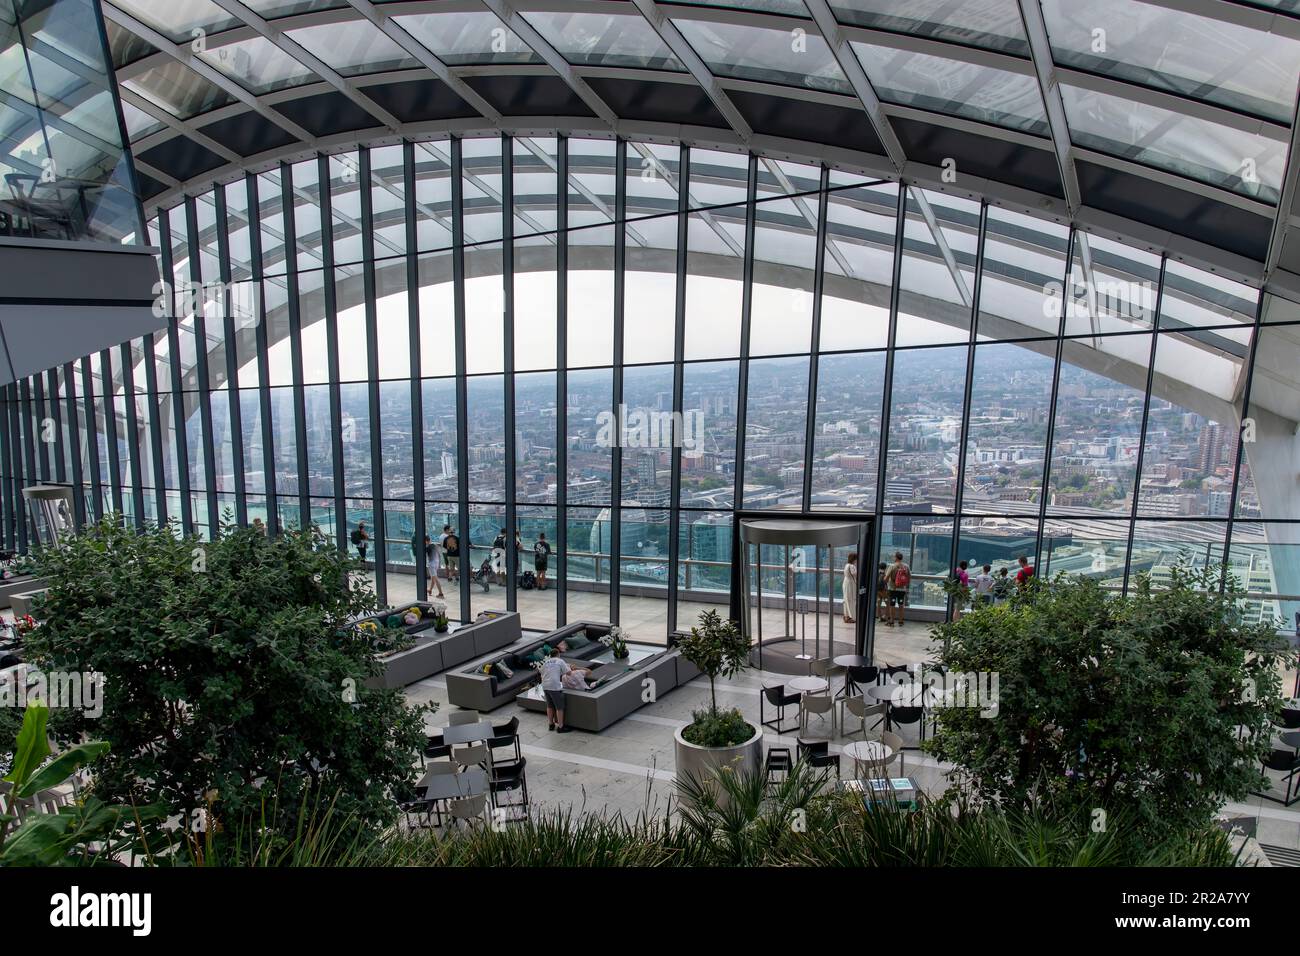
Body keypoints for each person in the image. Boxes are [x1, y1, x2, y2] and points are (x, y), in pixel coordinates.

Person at [539, 646, 572, 733]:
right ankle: (560, 727)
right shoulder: (560, 661)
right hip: (554, 686)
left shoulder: (545, 662)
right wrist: (570, 667)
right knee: (559, 707)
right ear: (558, 654)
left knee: (549, 706)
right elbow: (569, 673)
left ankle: (551, 724)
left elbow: (542, 674)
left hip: (545, 686)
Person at [885, 551, 910, 628]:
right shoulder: (906, 566)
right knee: (901, 605)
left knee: (892, 605)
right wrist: (906, 586)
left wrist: (886, 582)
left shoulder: (892, 566)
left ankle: (892, 621)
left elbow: (886, 577)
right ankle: (901, 621)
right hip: (902, 590)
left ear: (896, 557)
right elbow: (909, 577)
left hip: (893, 589)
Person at [424, 534, 444, 599]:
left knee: (435, 578)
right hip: (436, 563)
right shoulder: (435, 545)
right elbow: (439, 555)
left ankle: (441, 593)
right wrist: (440, 564)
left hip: (432, 564)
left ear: (426, 541)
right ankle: (430, 590)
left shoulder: (427, 547)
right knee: (433, 578)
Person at [841, 552, 858, 624]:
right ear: (854, 559)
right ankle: (850, 617)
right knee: (851, 600)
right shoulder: (852, 566)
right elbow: (855, 574)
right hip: (851, 584)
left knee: (846, 599)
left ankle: (846, 616)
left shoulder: (846, 565)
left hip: (846, 582)